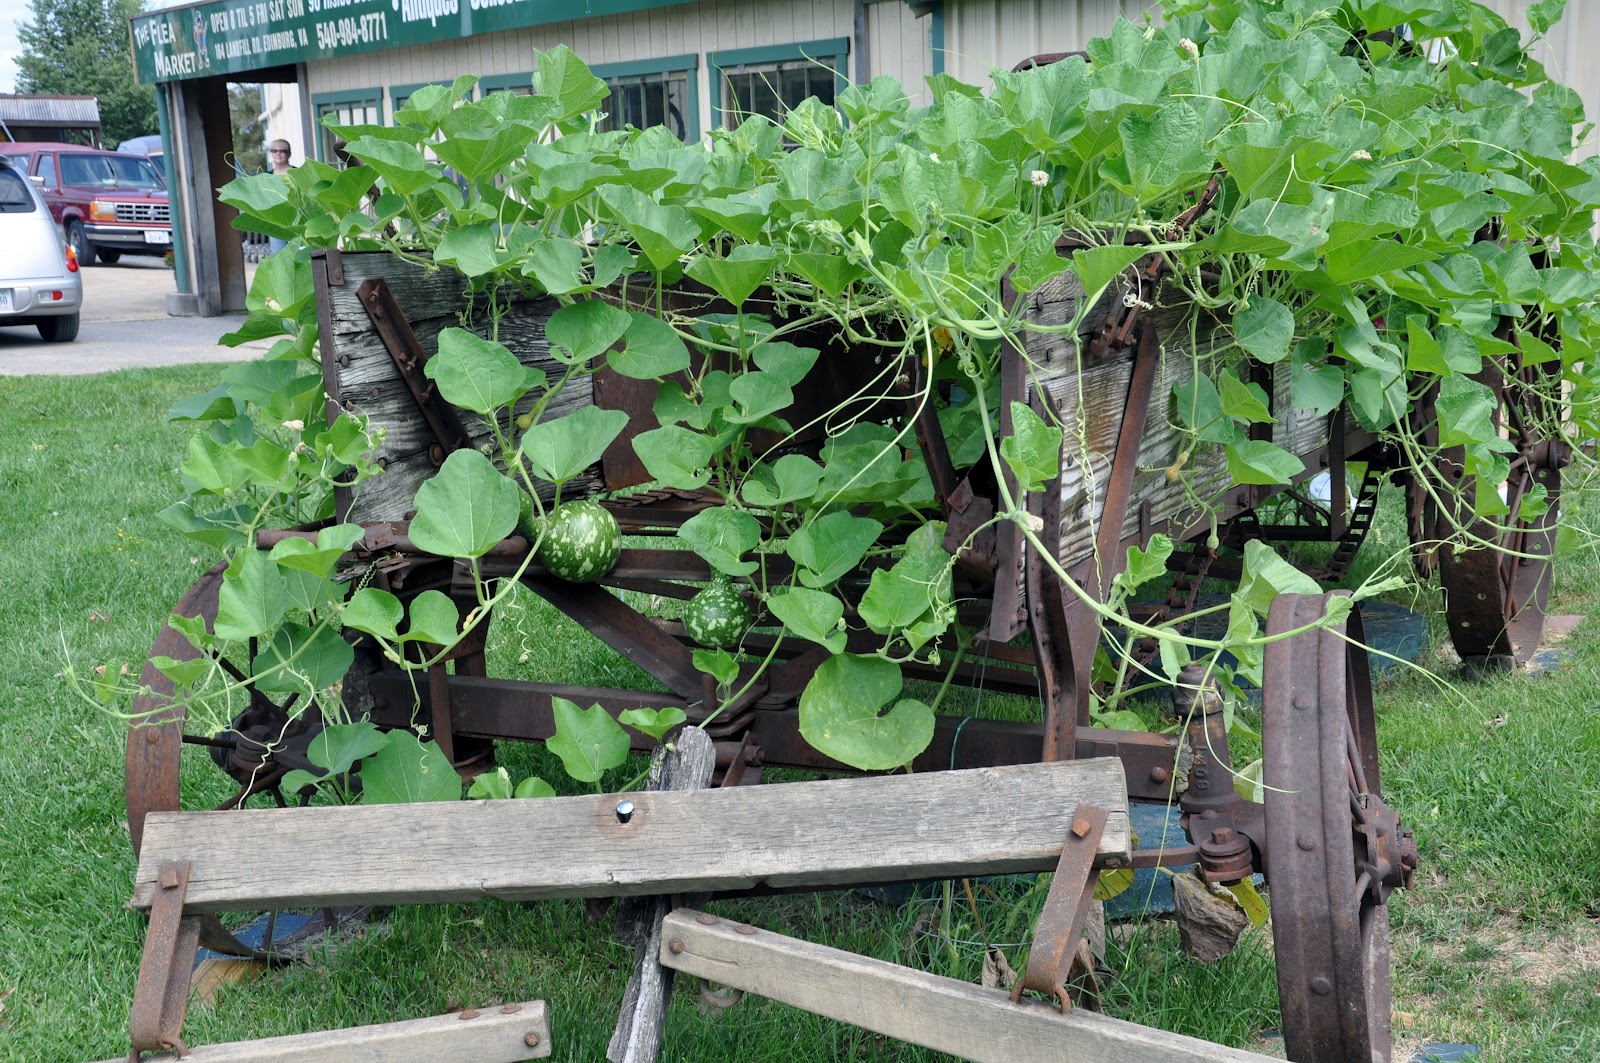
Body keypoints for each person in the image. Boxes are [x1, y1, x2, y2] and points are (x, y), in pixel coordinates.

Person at [266, 139, 293, 254]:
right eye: (274, 150)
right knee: (279, 257)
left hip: (297, 221)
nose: (278, 153)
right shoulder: (265, 176)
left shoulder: (297, 172)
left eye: (282, 151)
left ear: (289, 154)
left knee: (300, 258)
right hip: (276, 224)